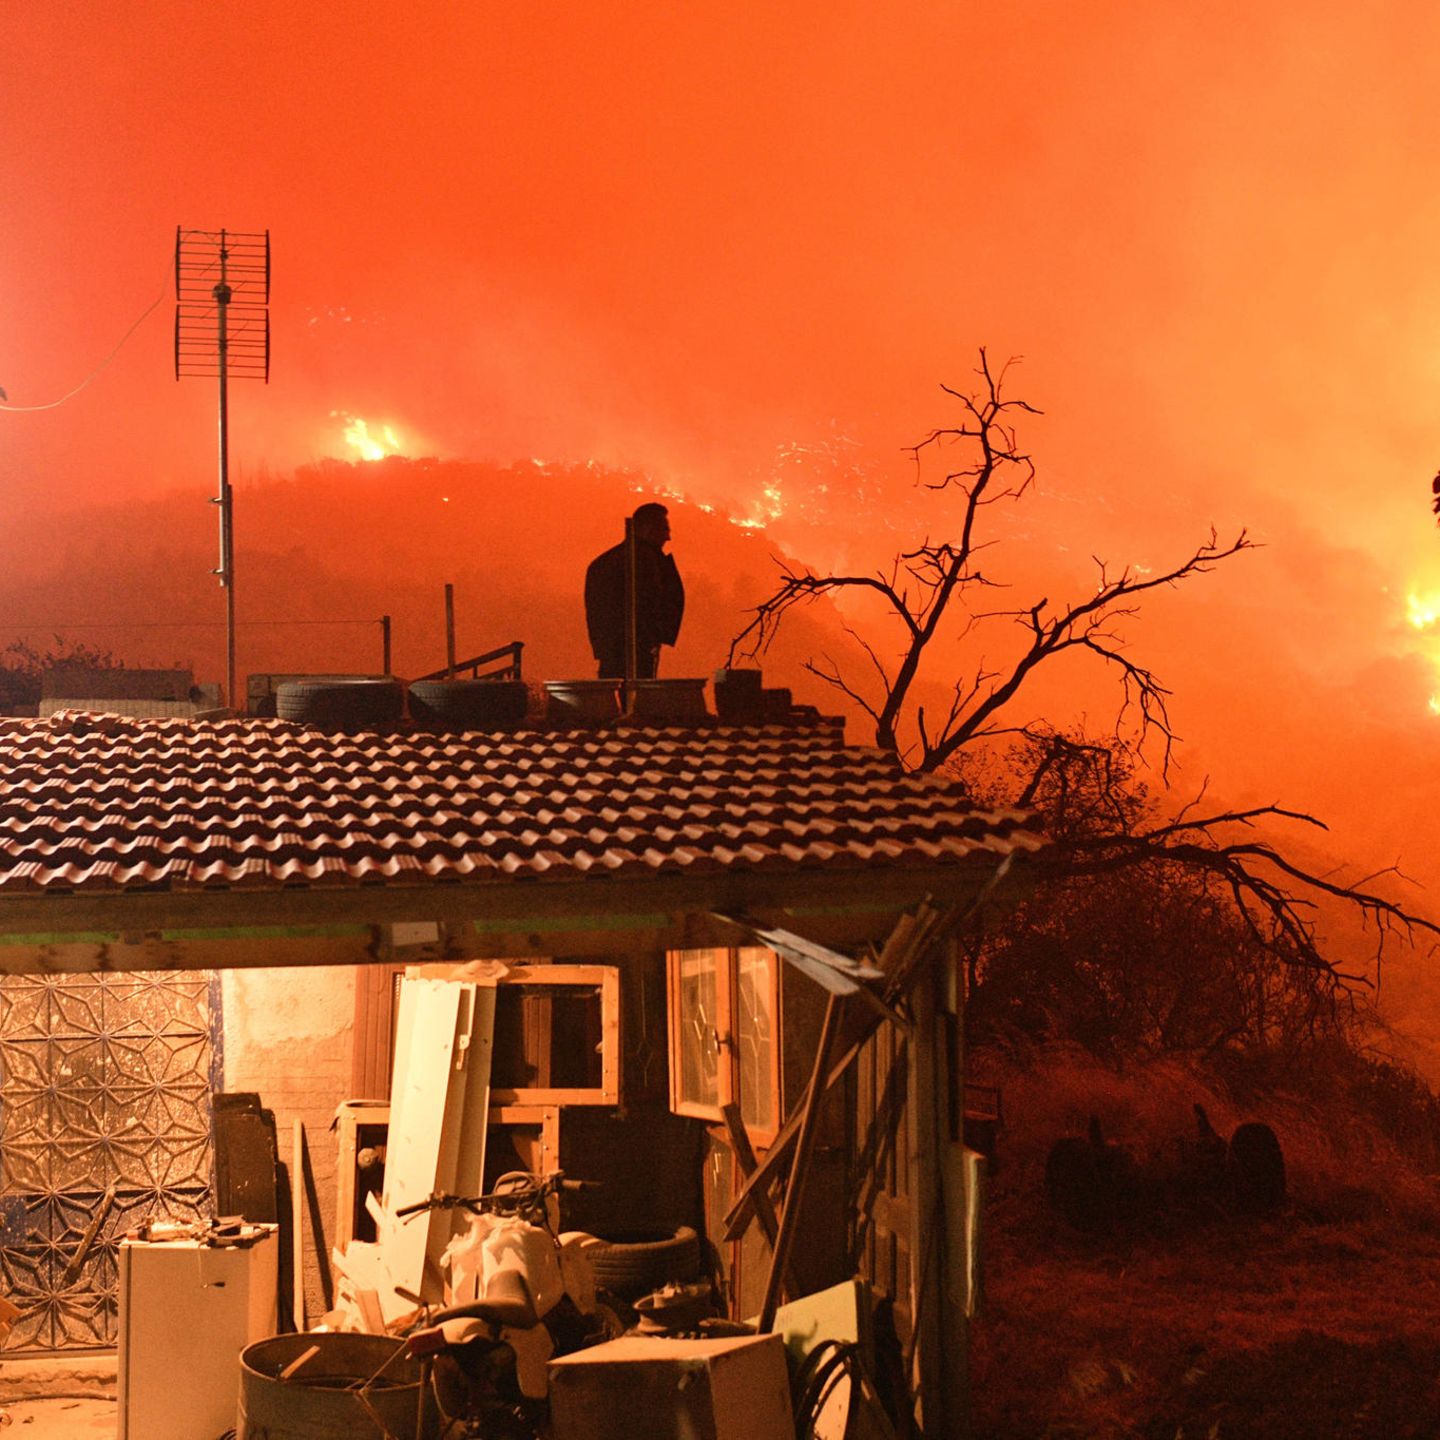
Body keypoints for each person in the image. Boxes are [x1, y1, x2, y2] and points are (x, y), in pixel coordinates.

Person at [584, 502, 684, 679]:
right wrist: (650, 638)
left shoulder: (602, 564)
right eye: (664, 529)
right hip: (636, 652)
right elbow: (650, 603)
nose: (668, 537)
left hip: (613, 653)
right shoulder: (643, 562)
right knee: (638, 699)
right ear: (647, 529)